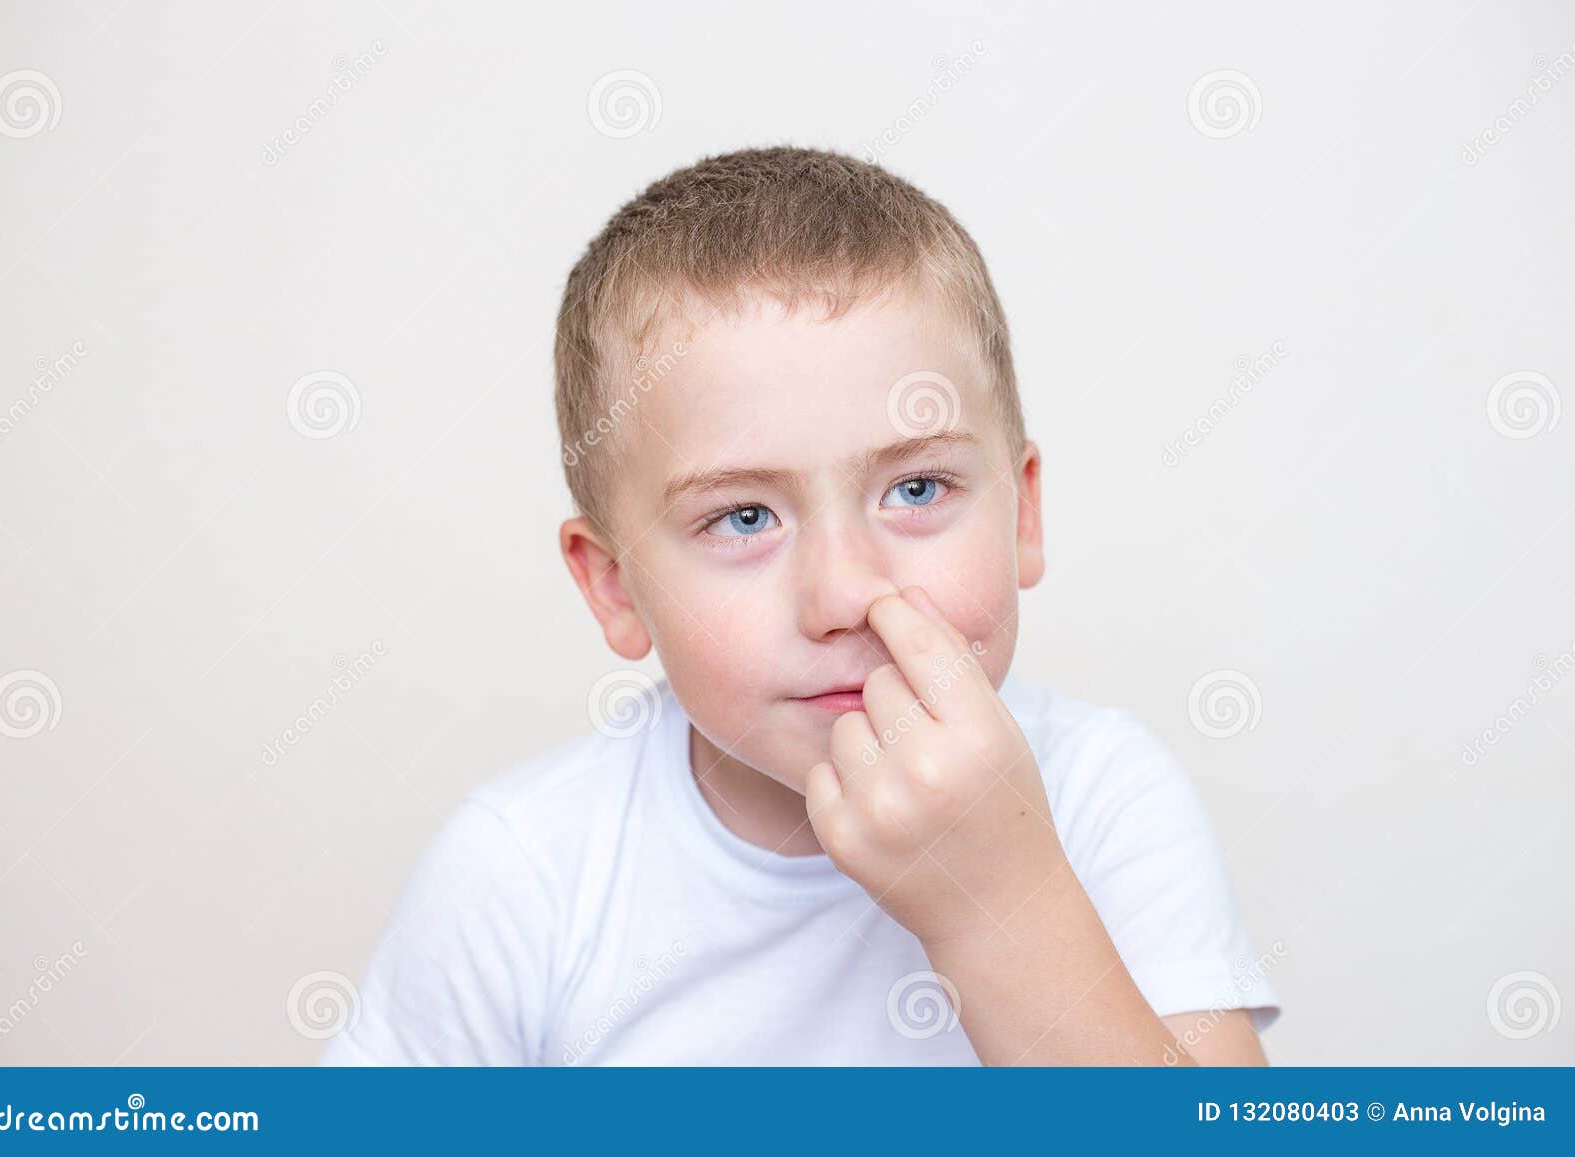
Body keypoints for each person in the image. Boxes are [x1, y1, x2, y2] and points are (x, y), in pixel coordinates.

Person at [322, 146, 1281, 1065]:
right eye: (744, 515)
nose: (845, 594)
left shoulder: (1104, 798)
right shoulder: (522, 875)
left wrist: (1003, 898)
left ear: (1022, 512)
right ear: (614, 585)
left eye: (916, 490)